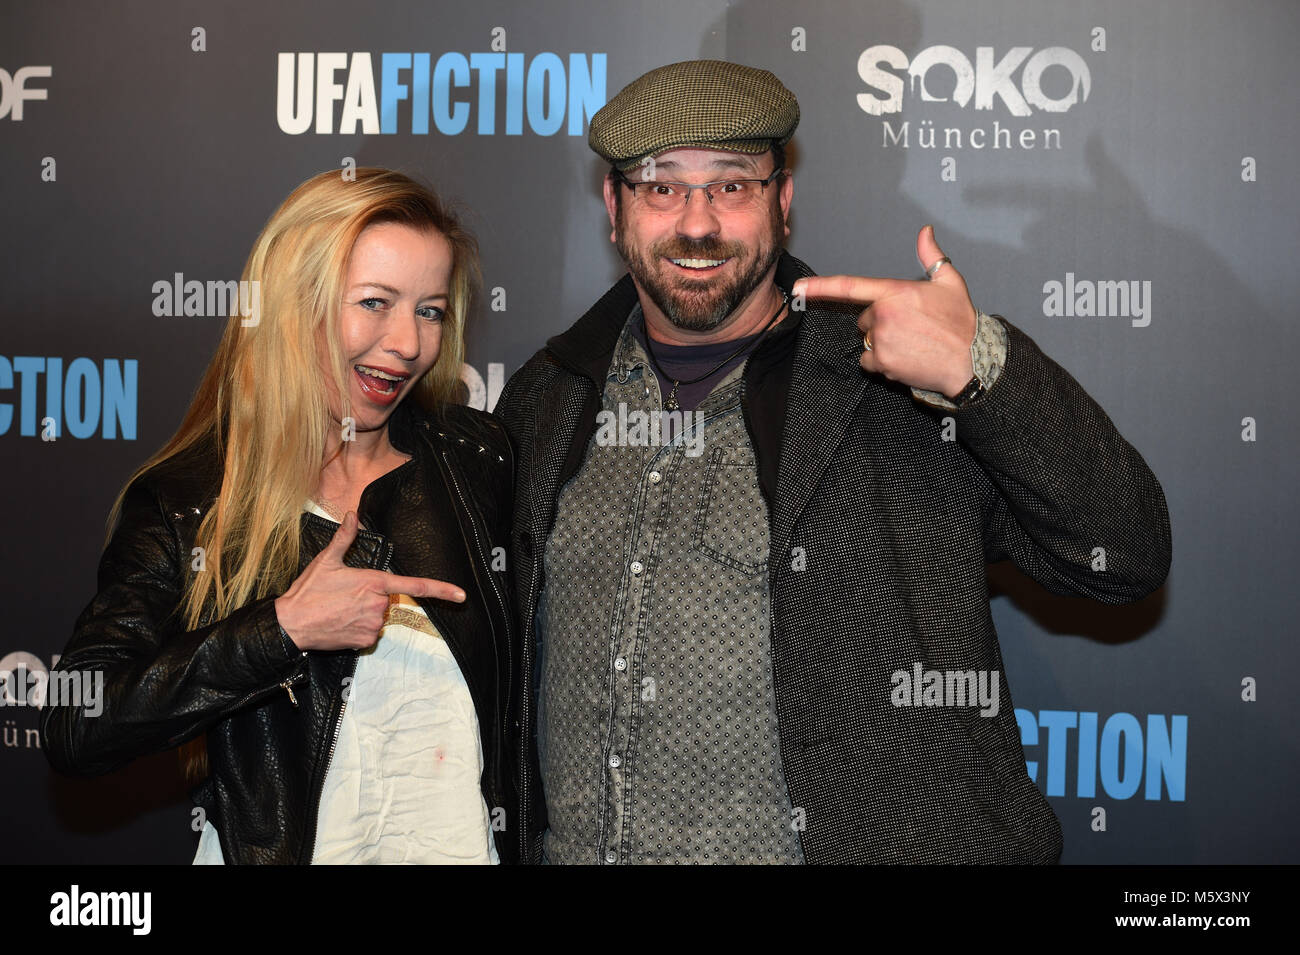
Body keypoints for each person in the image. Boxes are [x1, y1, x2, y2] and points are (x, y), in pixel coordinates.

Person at [494, 60, 1172, 864]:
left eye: (733, 186)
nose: (698, 223)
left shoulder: (890, 378)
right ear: (615, 208)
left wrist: (980, 366)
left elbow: (1123, 556)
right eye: (660, 187)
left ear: (783, 200)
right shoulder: (547, 397)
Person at [41, 168, 528, 864]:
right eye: (374, 302)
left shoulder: (475, 460)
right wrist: (283, 629)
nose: (408, 343)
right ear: (295, 305)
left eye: (430, 310)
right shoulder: (194, 500)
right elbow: (77, 724)